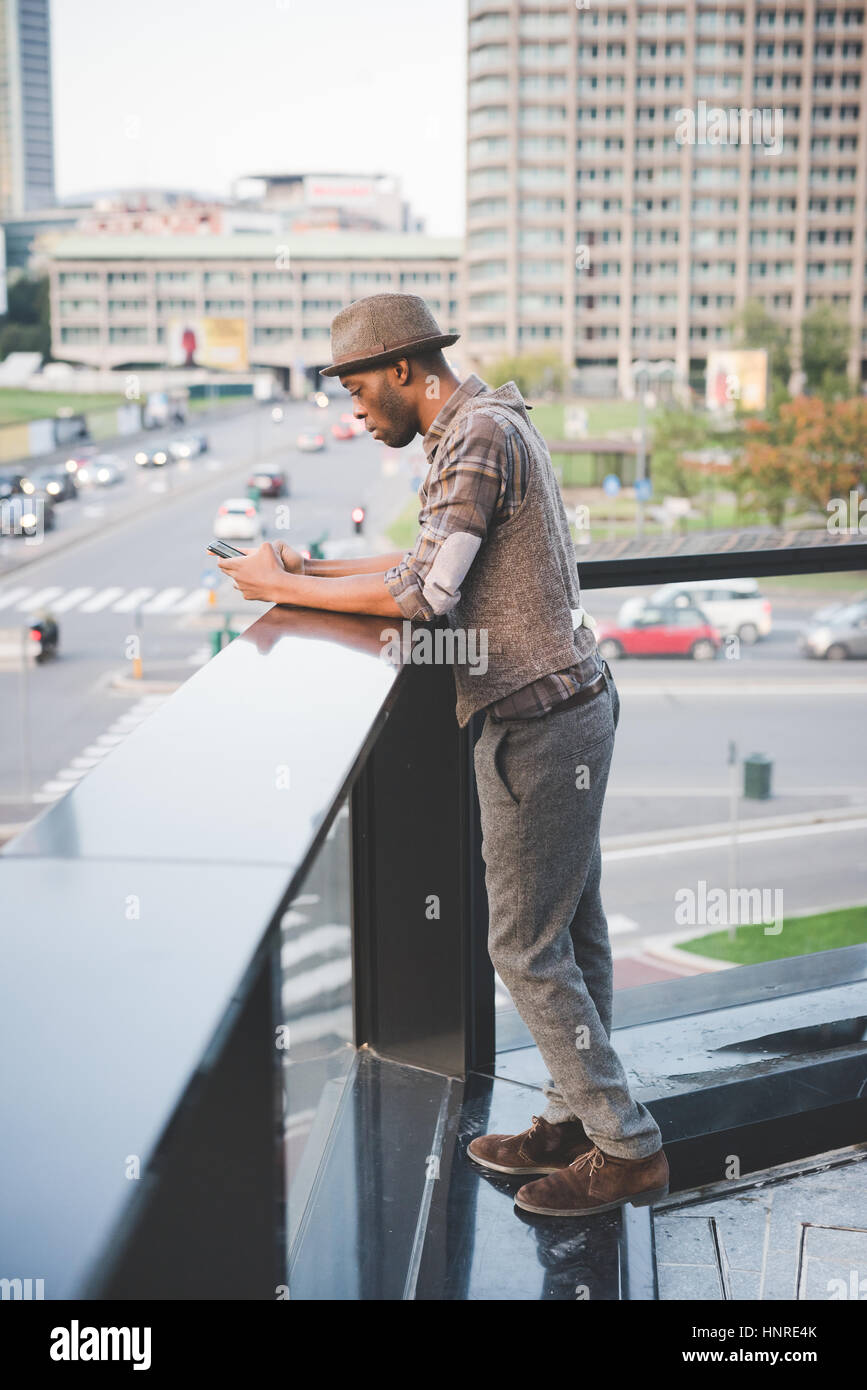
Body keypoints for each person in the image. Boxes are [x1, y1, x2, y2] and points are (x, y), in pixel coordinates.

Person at [214, 294, 669, 1218]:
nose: (353, 408)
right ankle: (574, 1115)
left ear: (401, 371)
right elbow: (419, 564)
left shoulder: (474, 442)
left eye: (355, 387)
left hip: (536, 725)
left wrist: (274, 584)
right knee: (572, 932)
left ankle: (625, 1145)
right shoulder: (475, 428)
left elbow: (425, 600)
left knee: (524, 946)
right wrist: (303, 572)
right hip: (567, 707)